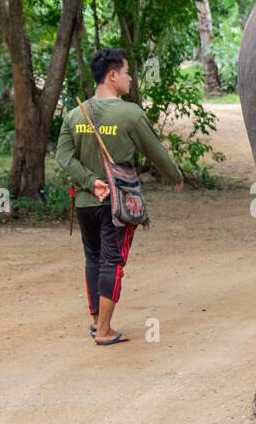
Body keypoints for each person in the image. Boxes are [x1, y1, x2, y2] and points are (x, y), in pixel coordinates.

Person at [55, 48, 183, 346]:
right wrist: (176, 176)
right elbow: (157, 153)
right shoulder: (130, 114)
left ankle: (96, 321)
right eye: (126, 72)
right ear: (112, 76)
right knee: (112, 261)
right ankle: (104, 331)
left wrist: (90, 181)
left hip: (85, 202)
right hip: (117, 203)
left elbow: (63, 156)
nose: (130, 78)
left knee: (93, 258)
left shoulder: (75, 115)